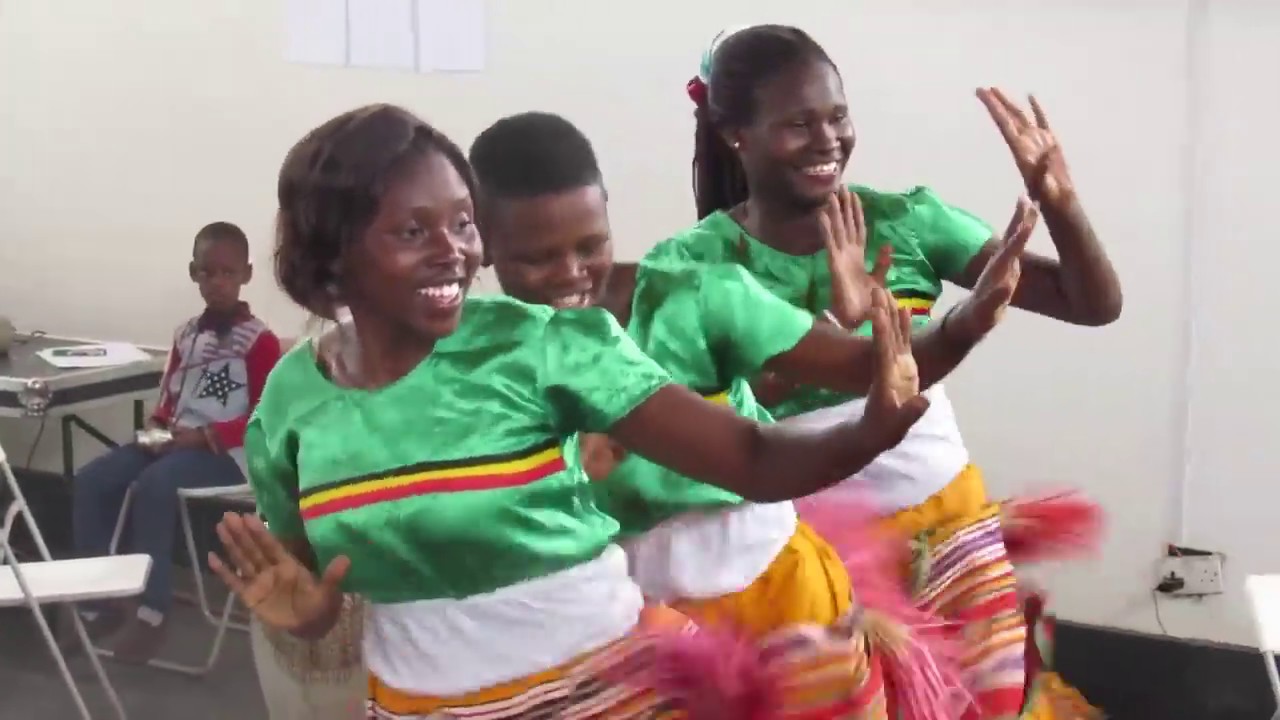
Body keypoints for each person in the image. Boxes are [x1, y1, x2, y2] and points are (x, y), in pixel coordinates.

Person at [209, 104, 934, 720]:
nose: (455, 253)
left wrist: (873, 425)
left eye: (463, 225)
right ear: (333, 252)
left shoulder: (546, 345)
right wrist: (307, 618)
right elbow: (313, 587)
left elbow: (747, 457)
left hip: (612, 691)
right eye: (413, 232)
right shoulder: (293, 401)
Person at [653, 23, 1120, 719]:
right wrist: (836, 333)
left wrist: (1058, 200)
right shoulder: (690, 267)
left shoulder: (907, 221)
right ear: (735, 136)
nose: (827, 140)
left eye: (838, 116)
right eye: (797, 124)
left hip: (946, 526)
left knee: (988, 706)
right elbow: (696, 432)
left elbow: (1093, 304)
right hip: (813, 557)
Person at [470, 110, 1032, 636]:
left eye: (590, 245)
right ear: (483, 244)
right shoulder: (477, 358)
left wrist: (966, 320)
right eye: (537, 259)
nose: (571, 274)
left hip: (776, 593)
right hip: (638, 619)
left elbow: (861, 368)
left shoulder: (690, 295)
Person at [67, 221, 282, 663]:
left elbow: (264, 418)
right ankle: (97, 601)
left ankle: (153, 609)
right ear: (193, 273)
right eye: (207, 272)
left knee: (155, 486)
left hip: (227, 454)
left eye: (227, 273)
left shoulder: (260, 342)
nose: (217, 282)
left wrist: (203, 436)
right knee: (92, 480)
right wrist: (157, 428)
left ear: (246, 274)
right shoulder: (186, 334)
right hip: (177, 442)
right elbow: (170, 398)